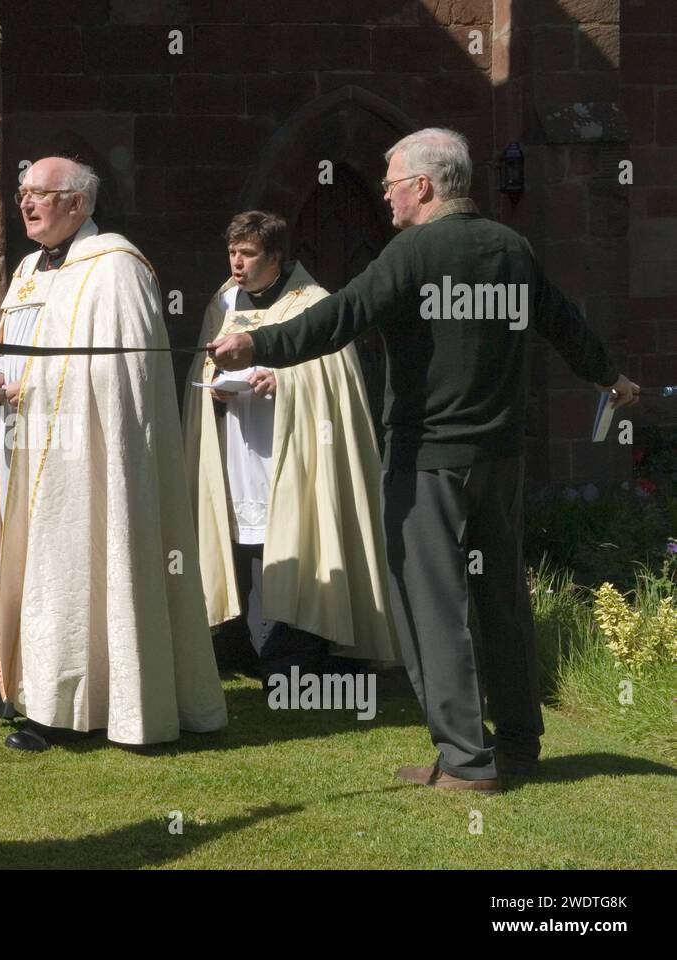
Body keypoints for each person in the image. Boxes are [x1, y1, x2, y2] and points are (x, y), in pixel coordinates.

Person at [208, 128, 640, 794]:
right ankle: (519, 746)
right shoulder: (511, 247)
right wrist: (610, 375)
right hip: (499, 459)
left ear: (424, 185)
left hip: (427, 460)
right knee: (502, 602)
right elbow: (563, 323)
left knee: (432, 608)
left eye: (390, 182)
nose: (383, 194)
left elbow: (339, 318)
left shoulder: (413, 251)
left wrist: (254, 344)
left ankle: (467, 762)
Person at [0, 156, 227, 750]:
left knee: (86, 568)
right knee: (37, 568)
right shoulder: (28, 269)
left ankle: (104, 708)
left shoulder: (116, 268)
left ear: (77, 204)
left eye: (41, 194)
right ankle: (37, 695)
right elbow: (11, 348)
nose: (25, 204)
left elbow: (128, 377)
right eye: (22, 193)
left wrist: (38, 390)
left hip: (93, 457)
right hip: (29, 446)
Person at [182, 211, 396, 679]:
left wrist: (281, 380)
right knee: (236, 537)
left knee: (291, 534)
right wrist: (215, 386)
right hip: (235, 443)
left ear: (276, 256)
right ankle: (241, 642)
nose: (237, 263)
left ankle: (294, 649)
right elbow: (204, 364)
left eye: (249, 254)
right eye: (233, 253)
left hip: (295, 447)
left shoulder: (312, 303)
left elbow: (330, 379)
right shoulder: (224, 302)